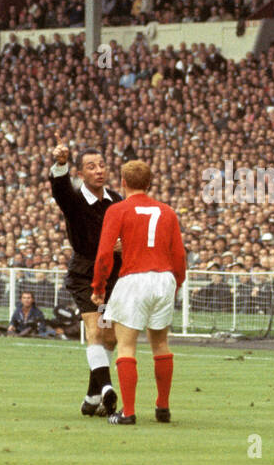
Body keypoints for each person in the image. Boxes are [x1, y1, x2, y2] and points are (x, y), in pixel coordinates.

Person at [91, 160, 186, 425]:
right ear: (150, 183)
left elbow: (104, 254)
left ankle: (129, 412)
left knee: (126, 345)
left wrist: (98, 287)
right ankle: (162, 407)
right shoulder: (167, 212)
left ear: (123, 182)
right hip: (164, 278)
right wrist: (176, 283)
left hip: (134, 278)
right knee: (160, 343)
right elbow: (179, 255)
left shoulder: (117, 209)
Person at [50, 144, 122, 417]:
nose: (99, 170)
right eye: (91, 166)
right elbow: (59, 189)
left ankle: (92, 397)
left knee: (109, 337)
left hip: (111, 277)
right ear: (79, 172)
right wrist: (60, 164)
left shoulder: (116, 200)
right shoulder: (74, 199)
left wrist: (122, 246)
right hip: (85, 276)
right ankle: (106, 389)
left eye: (102, 164)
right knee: (93, 329)